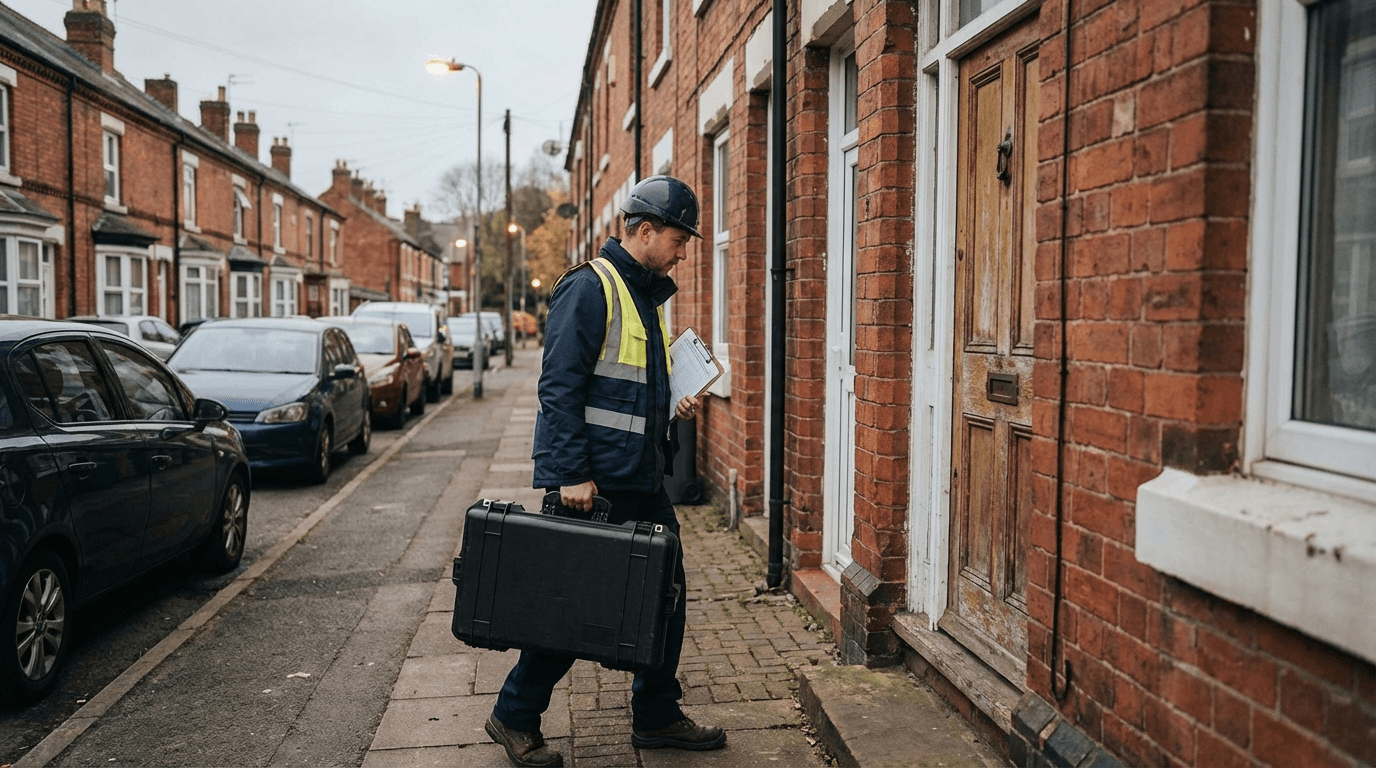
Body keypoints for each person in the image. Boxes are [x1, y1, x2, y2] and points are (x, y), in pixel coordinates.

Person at [485, 175, 723, 768]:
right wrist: (570, 476)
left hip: (641, 479)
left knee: (667, 597)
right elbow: (559, 388)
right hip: (593, 485)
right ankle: (513, 715)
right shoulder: (591, 289)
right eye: (679, 237)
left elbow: (629, 384)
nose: (685, 250)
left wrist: (672, 400)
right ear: (645, 232)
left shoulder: (643, 293)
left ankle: (658, 715)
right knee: (572, 606)